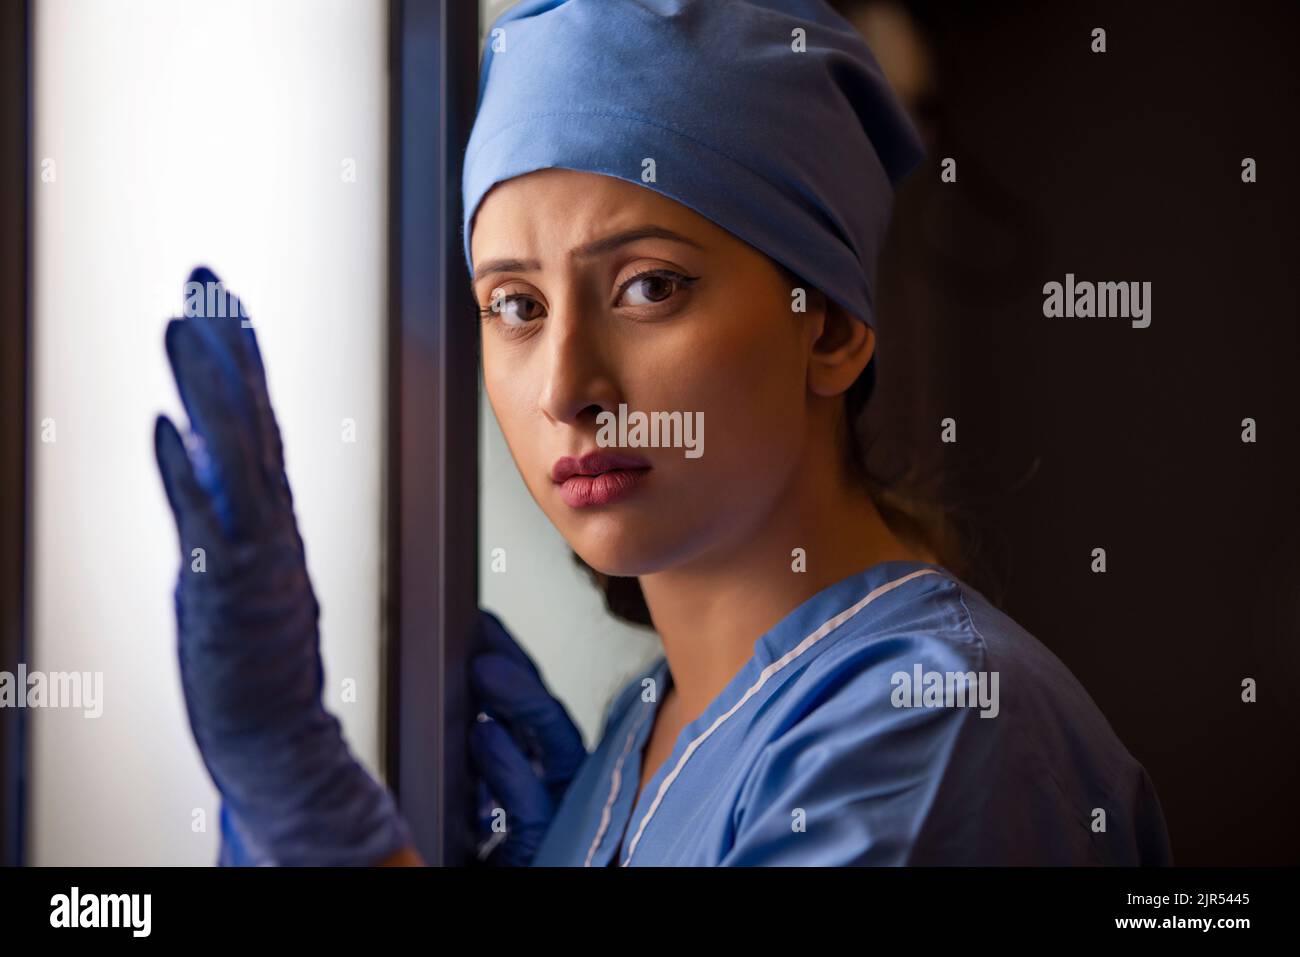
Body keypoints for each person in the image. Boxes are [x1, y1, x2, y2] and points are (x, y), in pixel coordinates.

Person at [154, 0, 1173, 866]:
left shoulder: (933, 732)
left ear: (828, 327)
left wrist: (318, 813)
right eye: (514, 304)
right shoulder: (635, 739)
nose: (565, 388)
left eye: (648, 286)